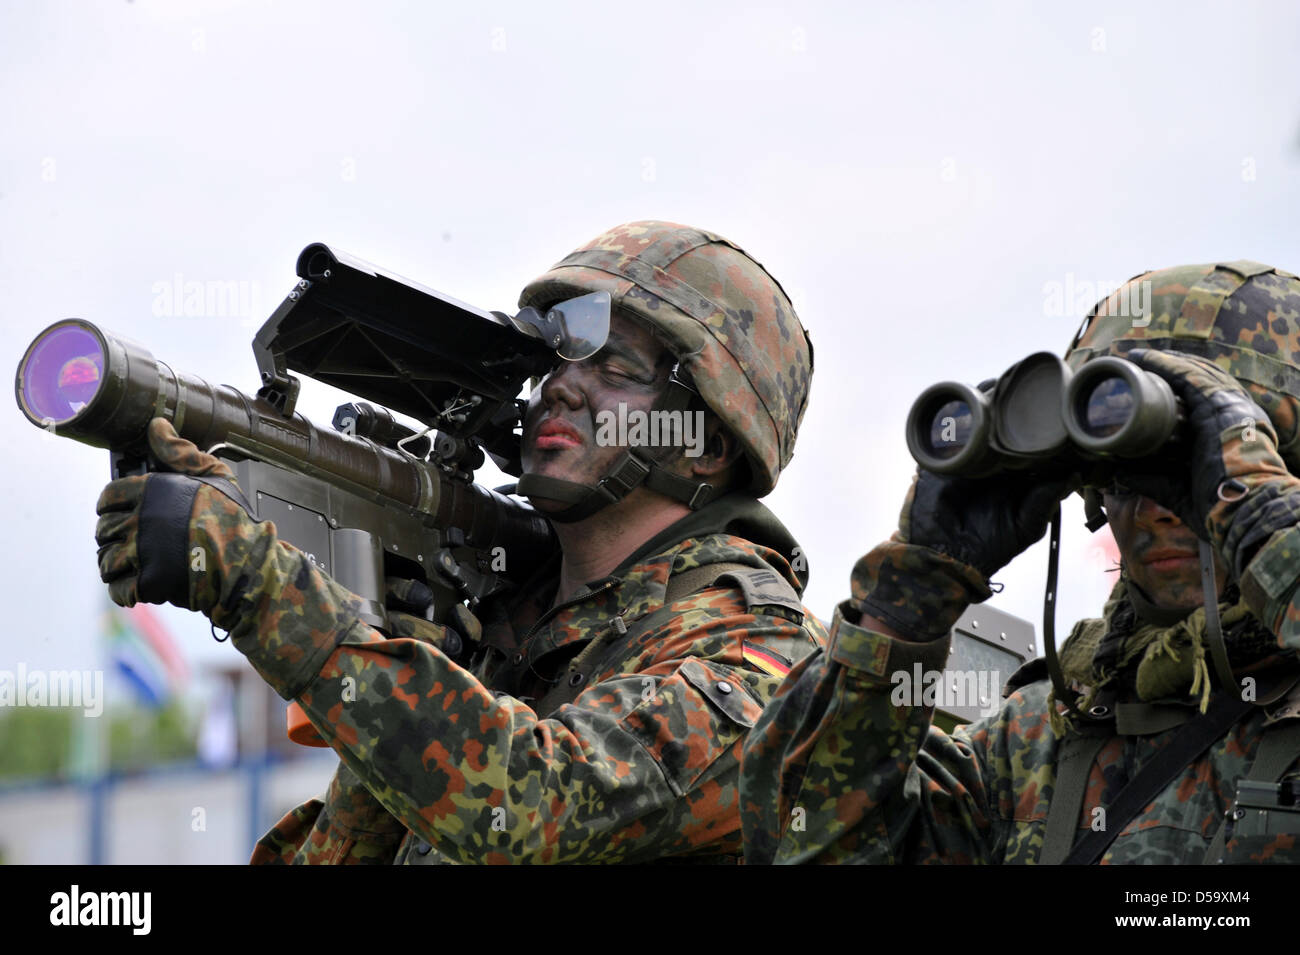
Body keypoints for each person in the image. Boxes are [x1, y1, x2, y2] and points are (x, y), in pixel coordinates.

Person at [94, 220, 824, 864]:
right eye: (554, 360)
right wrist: (406, 677)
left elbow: (538, 812)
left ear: (707, 444)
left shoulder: (767, 660)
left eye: (616, 368)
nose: (562, 389)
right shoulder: (508, 632)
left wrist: (264, 588)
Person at [740, 260, 1300, 865]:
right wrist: (905, 603)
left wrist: (1264, 527)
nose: (1161, 510)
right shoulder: (1038, 736)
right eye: (1128, 473)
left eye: (1198, 470)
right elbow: (798, 845)